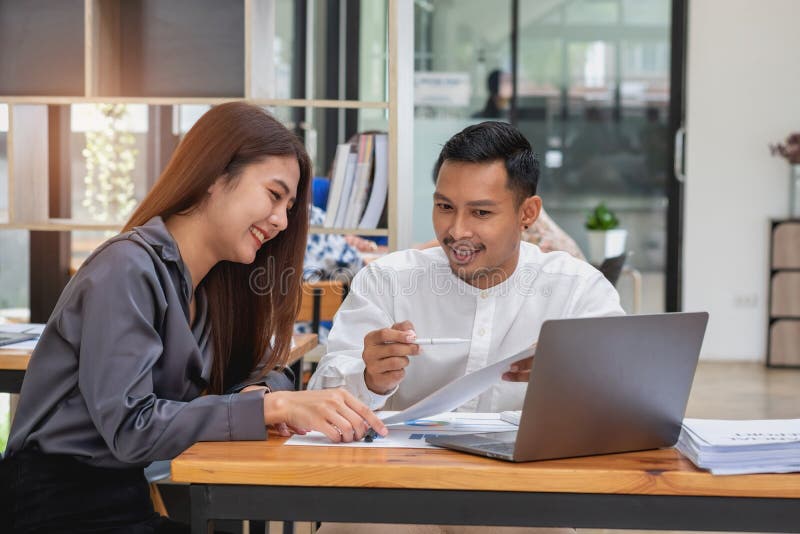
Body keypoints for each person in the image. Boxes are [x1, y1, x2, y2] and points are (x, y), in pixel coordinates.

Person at [0, 102, 387, 533]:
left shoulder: (214, 286)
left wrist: (264, 394)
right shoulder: (126, 268)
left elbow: (271, 372)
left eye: (289, 207)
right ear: (215, 178)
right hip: (50, 509)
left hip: (126, 502)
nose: (281, 221)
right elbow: (131, 427)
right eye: (274, 195)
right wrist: (268, 406)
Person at [308, 121, 623, 534]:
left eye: (481, 212)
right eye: (444, 207)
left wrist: (576, 379)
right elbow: (319, 404)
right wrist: (368, 377)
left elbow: (627, 406)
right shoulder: (387, 280)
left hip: (522, 494)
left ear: (527, 213)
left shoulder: (576, 288)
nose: (457, 231)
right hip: (396, 489)